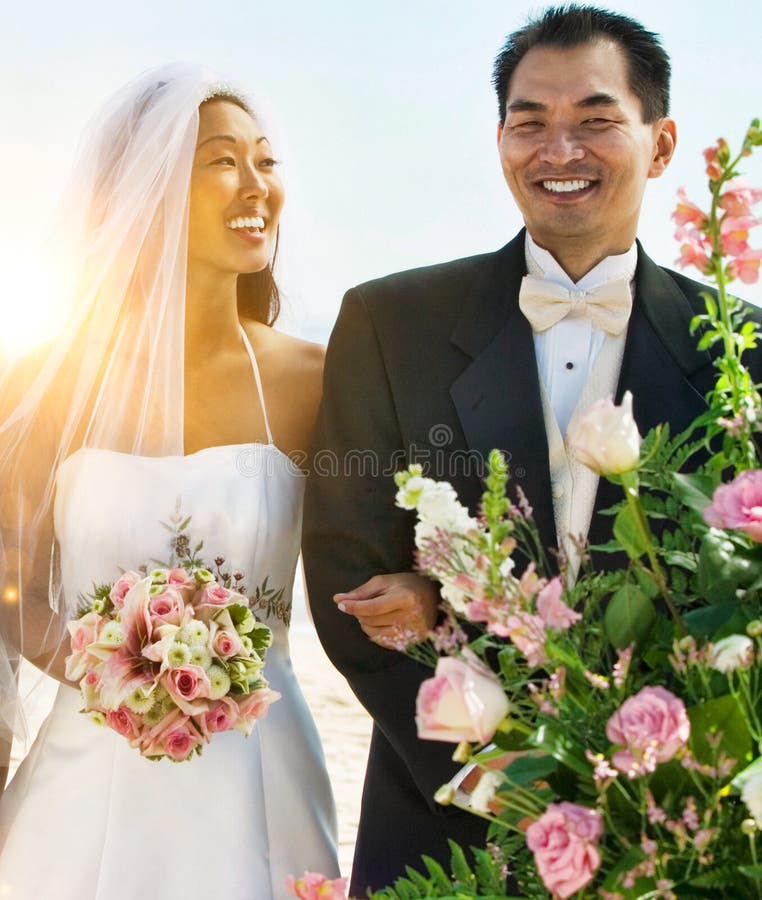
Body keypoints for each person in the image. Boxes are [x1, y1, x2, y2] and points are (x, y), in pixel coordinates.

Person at [302, 5, 762, 896]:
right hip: (442, 831)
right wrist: (512, 785)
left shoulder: (743, 352)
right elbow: (347, 579)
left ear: (661, 144)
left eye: (595, 119)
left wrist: (657, 798)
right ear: (500, 141)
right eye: (530, 122)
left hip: (676, 839)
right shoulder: (389, 322)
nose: (559, 150)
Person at [0, 64, 338, 898]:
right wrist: (117, 672)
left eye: (266, 161)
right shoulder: (47, 381)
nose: (257, 185)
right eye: (223, 161)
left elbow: (368, 561)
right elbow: (12, 580)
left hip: (265, 768)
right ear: (144, 191)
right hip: (87, 778)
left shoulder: (316, 379)